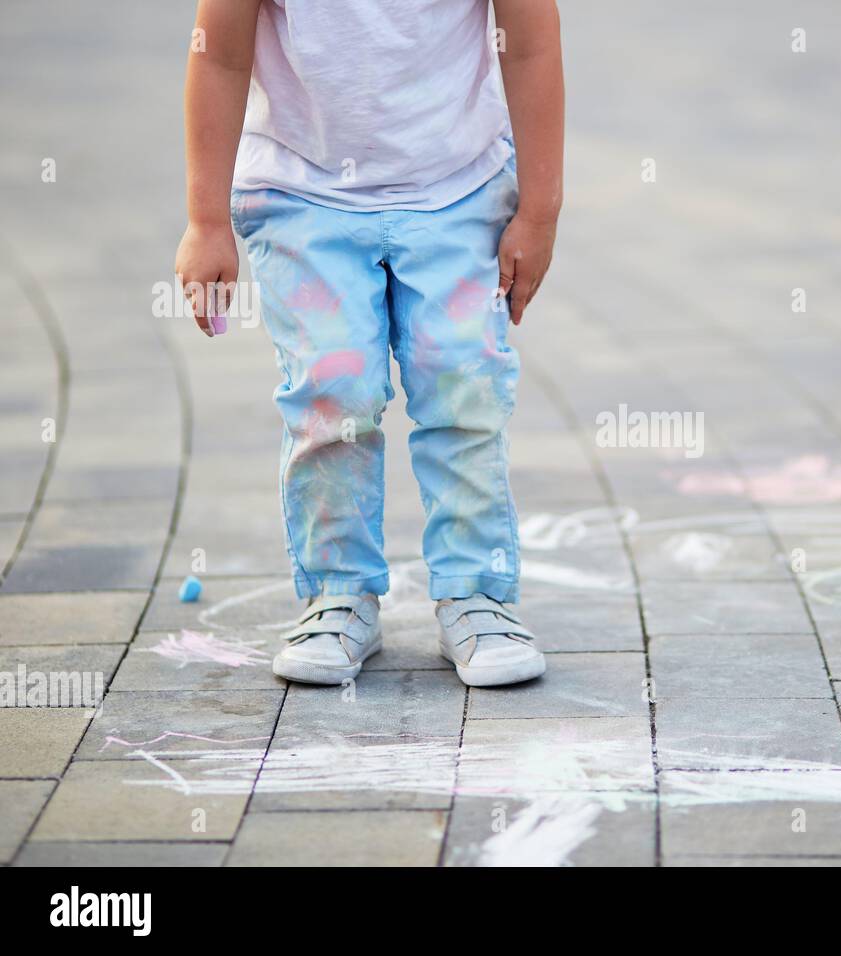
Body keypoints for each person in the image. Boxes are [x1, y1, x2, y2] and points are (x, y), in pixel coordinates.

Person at [173, 0, 563, 687]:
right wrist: (206, 221)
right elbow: (219, 51)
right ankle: (338, 593)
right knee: (334, 388)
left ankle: (476, 592)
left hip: (458, 191)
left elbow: (529, 45)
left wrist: (538, 210)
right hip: (302, 195)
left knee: (463, 379)